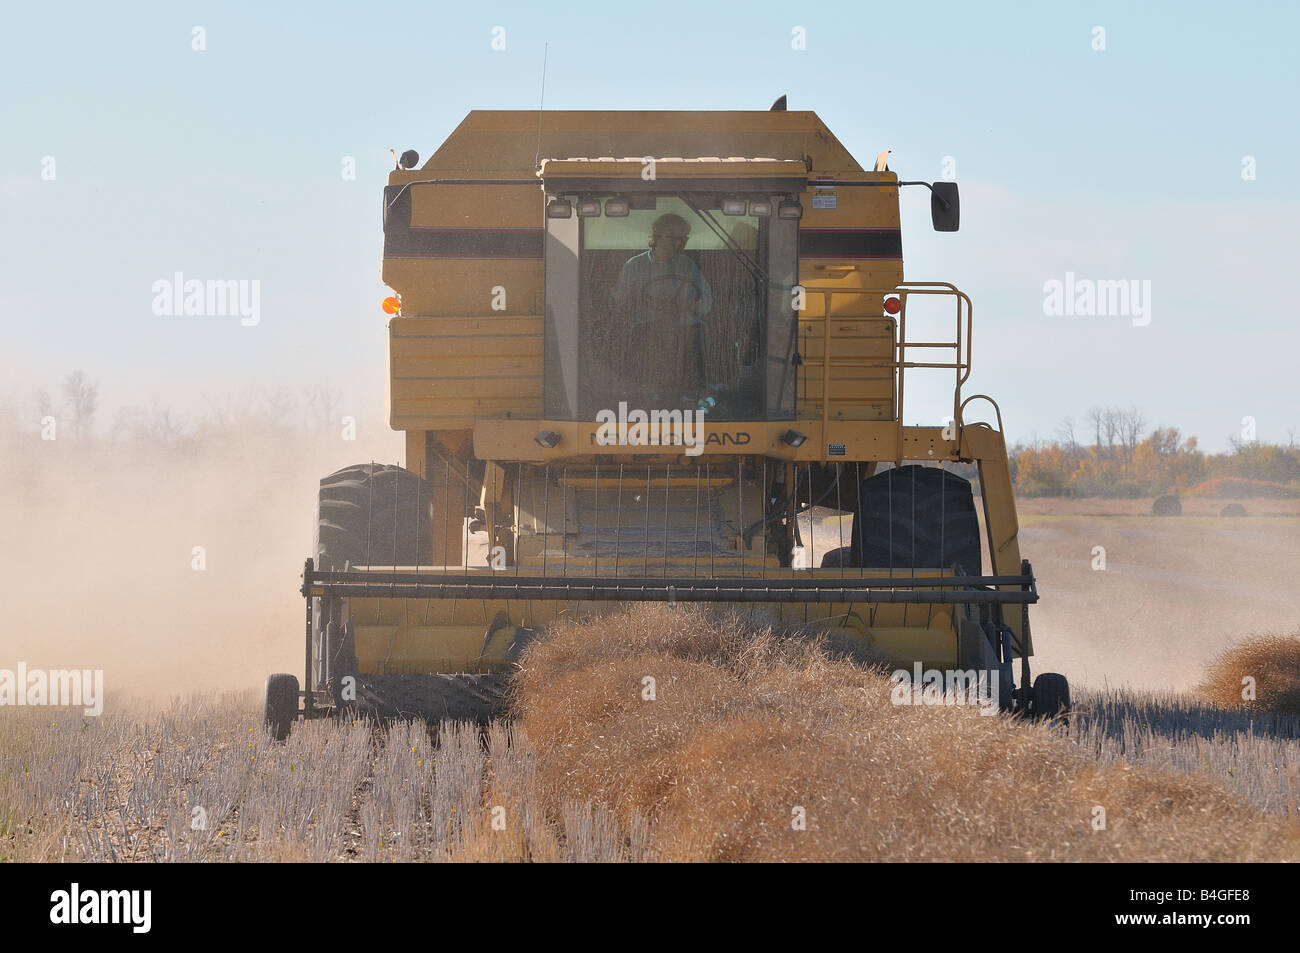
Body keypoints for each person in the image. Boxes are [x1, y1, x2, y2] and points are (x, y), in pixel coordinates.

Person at [613, 213, 713, 401]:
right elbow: (621, 302)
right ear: (656, 236)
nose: (674, 243)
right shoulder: (634, 266)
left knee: (697, 332)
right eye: (670, 237)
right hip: (648, 331)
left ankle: (694, 395)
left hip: (685, 332)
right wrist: (631, 300)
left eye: (679, 239)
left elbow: (707, 300)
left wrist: (694, 306)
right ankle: (643, 396)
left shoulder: (688, 266)